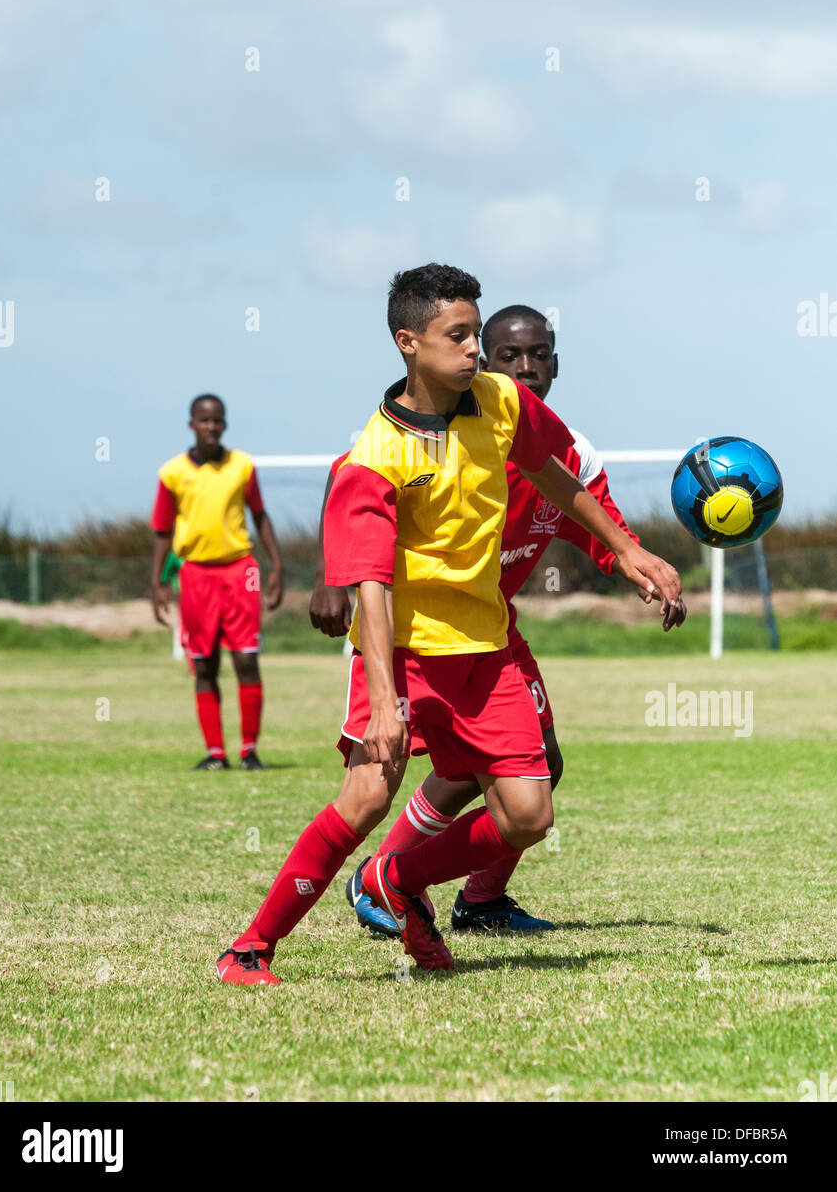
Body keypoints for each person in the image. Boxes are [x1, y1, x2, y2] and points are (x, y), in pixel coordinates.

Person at [216, 264, 682, 985]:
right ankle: (251, 947)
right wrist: (385, 703)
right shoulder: (373, 458)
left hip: (487, 648)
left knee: (529, 813)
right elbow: (370, 587)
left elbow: (553, 470)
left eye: (474, 333)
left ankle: (394, 879)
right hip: (402, 653)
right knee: (369, 794)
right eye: (457, 336)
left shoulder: (498, 401)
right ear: (408, 342)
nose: (474, 350)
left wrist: (627, 550)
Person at [313, 304, 684, 937]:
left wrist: (635, 561)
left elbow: (596, 518)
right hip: (412, 628)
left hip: (488, 628)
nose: (526, 367)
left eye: (539, 354)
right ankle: (384, 874)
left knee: (536, 768)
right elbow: (354, 482)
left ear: (557, 364)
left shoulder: (564, 453)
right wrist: (330, 578)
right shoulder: (456, 434)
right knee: (417, 779)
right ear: (484, 361)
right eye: (509, 356)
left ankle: (474, 899)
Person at [150, 394, 283, 770]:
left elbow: (260, 515)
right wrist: (157, 583)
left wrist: (276, 564)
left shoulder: (242, 466)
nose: (211, 427)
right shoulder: (172, 473)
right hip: (194, 575)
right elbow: (162, 531)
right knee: (204, 664)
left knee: (246, 658)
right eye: (204, 420)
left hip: (241, 570)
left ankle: (249, 750)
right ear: (191, 424)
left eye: (217, 420)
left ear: (225, 423)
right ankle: (215, 754)